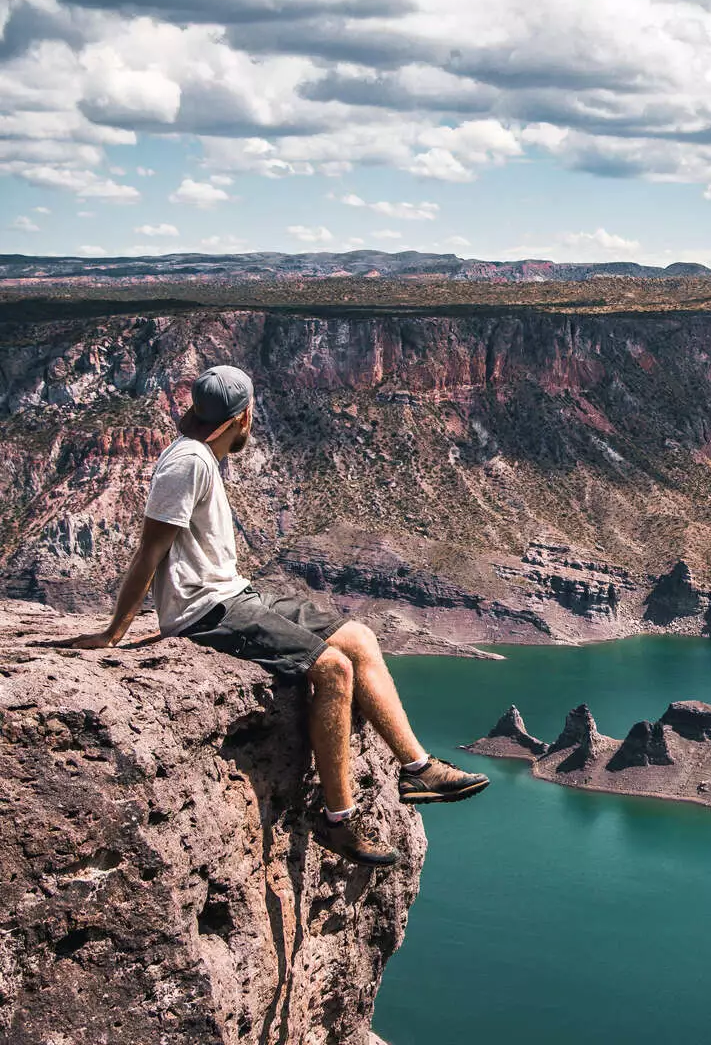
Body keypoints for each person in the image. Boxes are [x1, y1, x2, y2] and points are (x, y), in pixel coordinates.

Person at [68, 365, 488, 867]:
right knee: (333, 668)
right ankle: (338, 821)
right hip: (205, 611)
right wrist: (116, 631)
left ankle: (417, 767)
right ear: (243, 417)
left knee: (357, 636)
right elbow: (148, 552)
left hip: (237, 592)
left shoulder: (203, 455)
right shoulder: (187, 464)